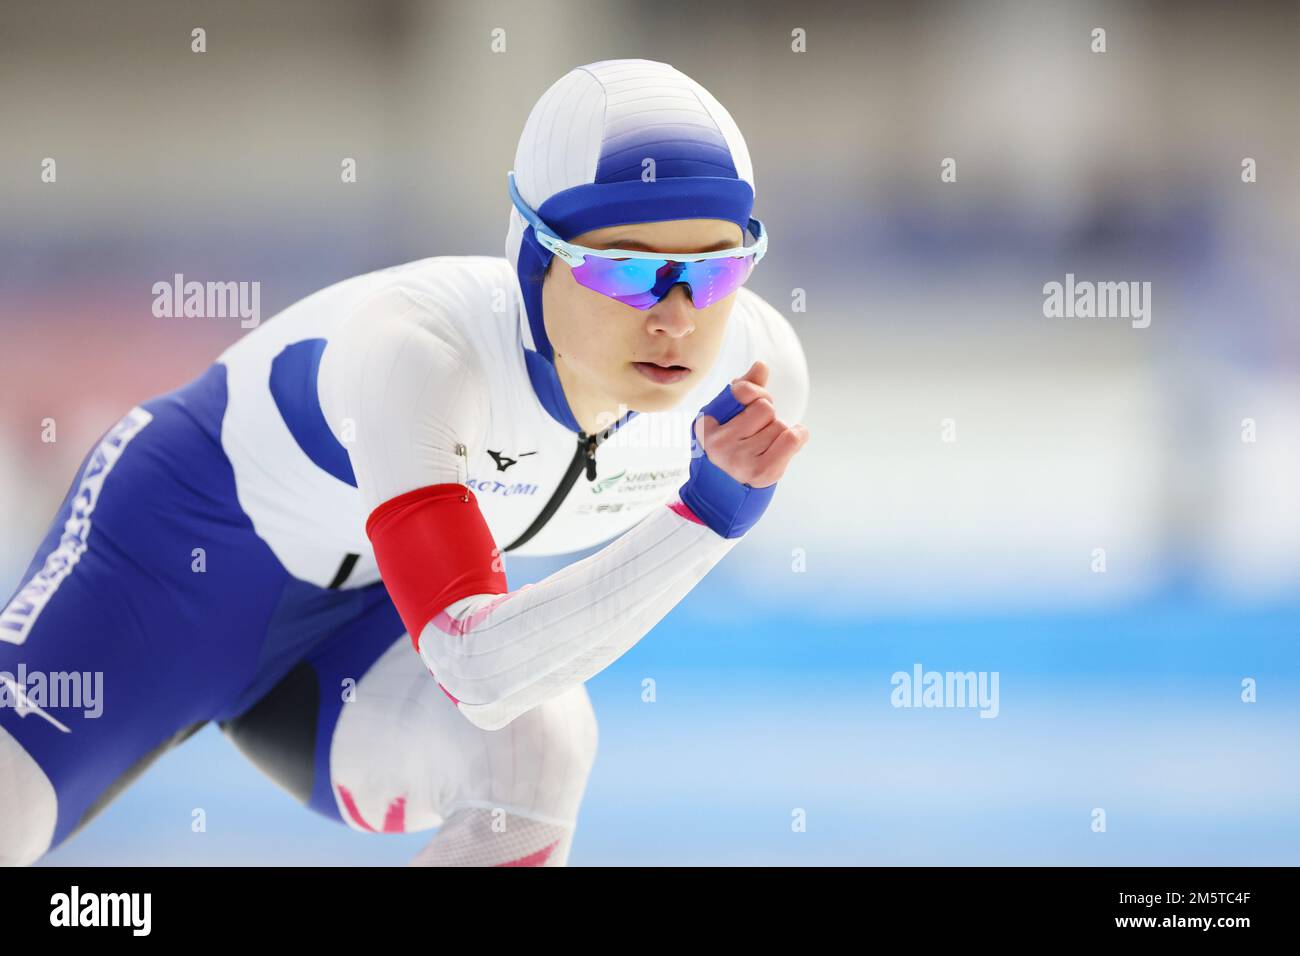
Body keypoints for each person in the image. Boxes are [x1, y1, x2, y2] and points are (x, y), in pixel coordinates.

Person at [0, 57, 810, 867]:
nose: (677, 318)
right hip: (163, 568)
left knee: (538, 747)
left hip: (365, 633)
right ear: (535, 258)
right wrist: (708, 519)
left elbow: (493, 688)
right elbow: (477, 668)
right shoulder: (422, 351)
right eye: (629, 270)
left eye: (715, 270)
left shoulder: (756, 371)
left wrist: (714, 509)